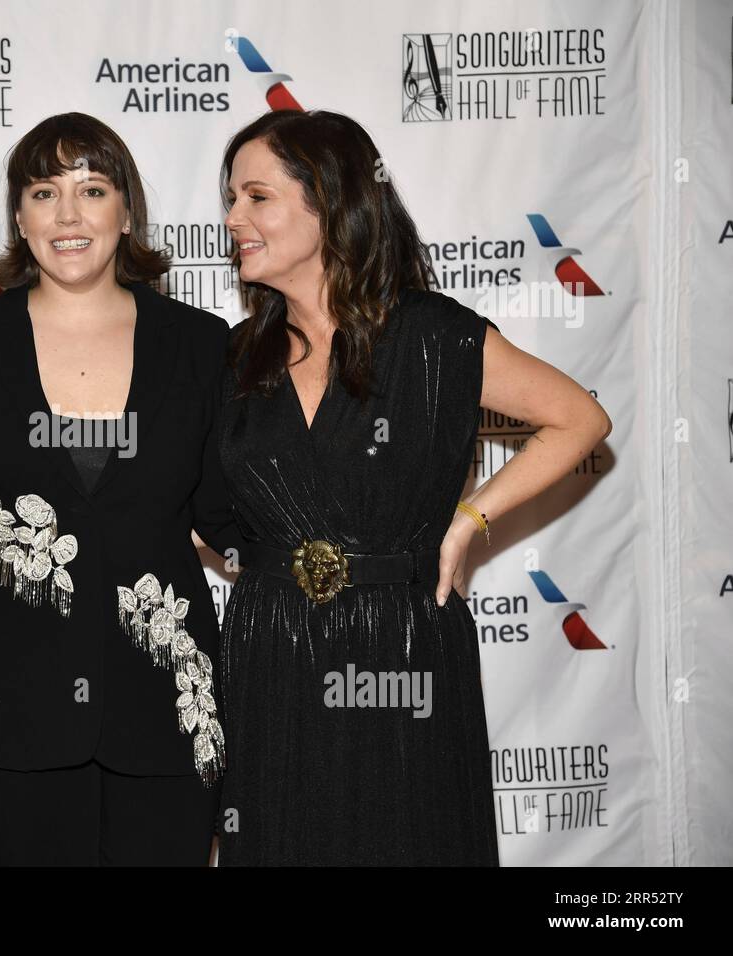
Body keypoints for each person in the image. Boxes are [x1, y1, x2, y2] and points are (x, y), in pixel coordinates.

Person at [214, 109, 612, 865]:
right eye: (230, 200)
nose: (234, 219)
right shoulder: (237, 357)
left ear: (328, 201)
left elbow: (579, 420)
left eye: (256, 197)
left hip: (398, 644)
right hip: (271, 650)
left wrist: (471, 519)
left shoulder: (432, 336)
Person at [0, 113, 242, 865]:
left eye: (92, 189)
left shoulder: (200, 343)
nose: (68, 215)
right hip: (17, 713)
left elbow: (228, 513)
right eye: (43, 192)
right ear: (19, 217)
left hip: (170, 706)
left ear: (126, 212)